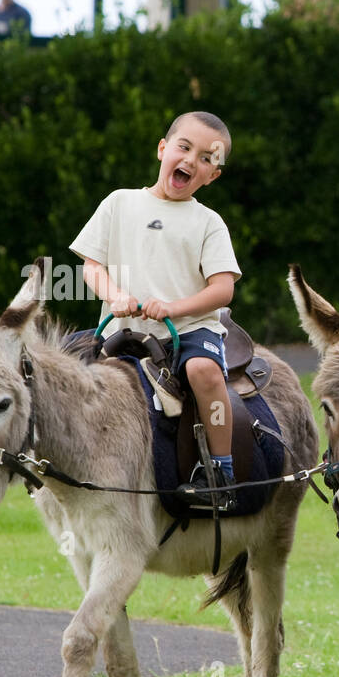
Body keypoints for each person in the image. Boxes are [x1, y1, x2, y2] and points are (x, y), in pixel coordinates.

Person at [70, 111, 242, 506]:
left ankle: (221, 474)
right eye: (184, 148)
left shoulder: (208, 222)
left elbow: (223, 289)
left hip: (190, 331)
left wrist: (174, 307)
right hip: (123, 329)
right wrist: (114, 295)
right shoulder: (119, 203)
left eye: (205, 158)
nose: (190, 160)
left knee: (204, 372)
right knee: (59, 371)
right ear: (163, 149)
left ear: (212, 176)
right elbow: (91, 267)